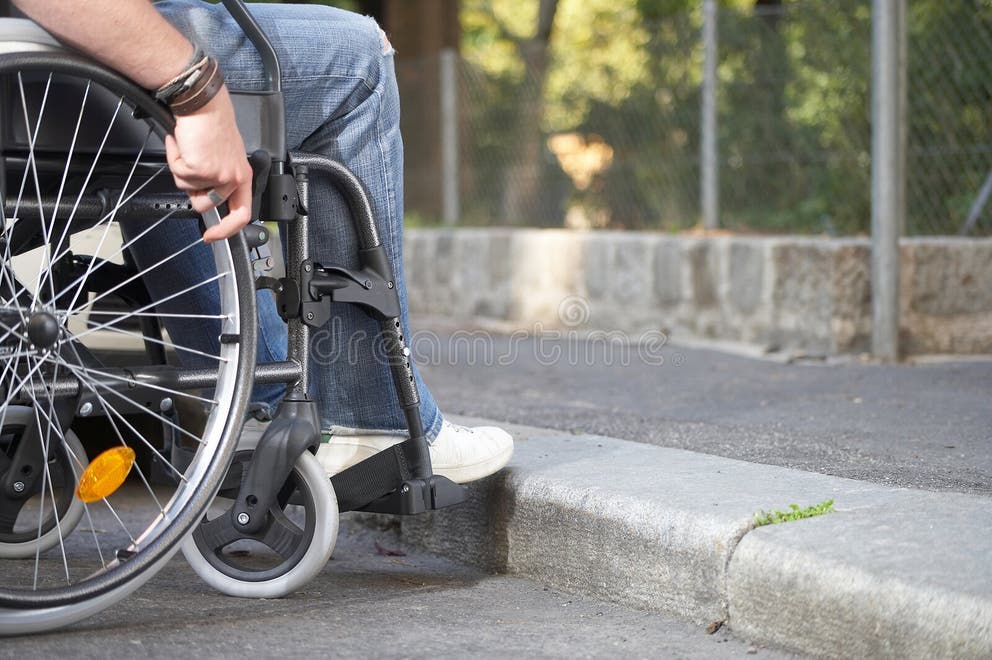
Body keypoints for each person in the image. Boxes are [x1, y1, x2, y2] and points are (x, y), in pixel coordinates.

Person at [10, 0, 513, 484]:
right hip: (43, 55)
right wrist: (195, 90)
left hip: (36, 63)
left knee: (161, 147)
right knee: (357, 59)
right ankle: (370, 419)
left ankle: (254, 397)